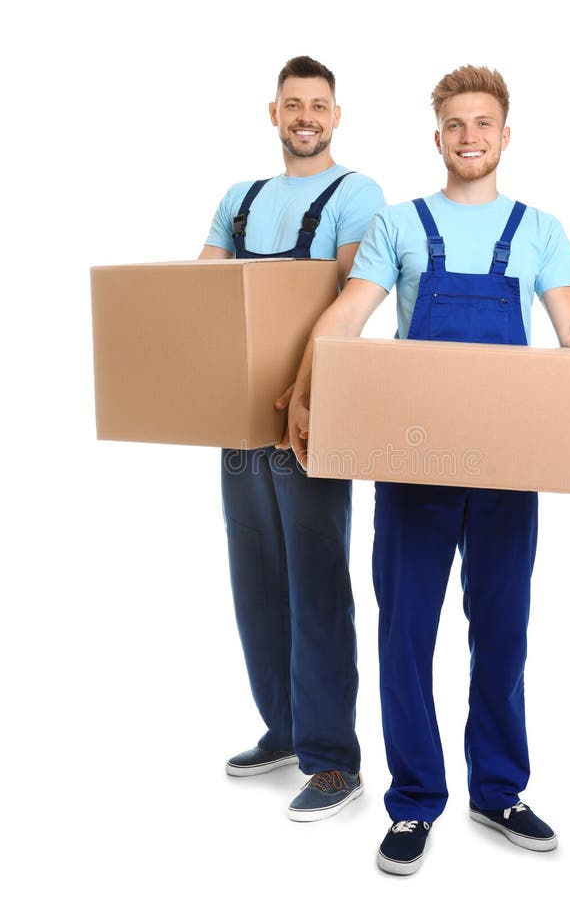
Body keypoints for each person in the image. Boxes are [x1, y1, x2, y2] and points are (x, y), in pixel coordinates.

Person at [288, 65, 570, 871]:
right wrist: (305, 385)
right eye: (456, 125)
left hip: (508, 466)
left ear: (505, 136)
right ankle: (412, 802)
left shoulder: (540, 230)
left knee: (502, 635)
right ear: (438, 138)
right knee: (405, 638)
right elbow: (347, 315)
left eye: (483, 123)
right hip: (413, 464)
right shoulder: (399, 225)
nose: (470, 137)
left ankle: (498, 790)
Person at [199, 55, 384, 822]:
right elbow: (202, 294)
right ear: (273, 114)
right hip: (239, 416)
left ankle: (334, 759)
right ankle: (284, 726)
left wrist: (304, 397)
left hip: (312, 416)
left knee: (315, 581)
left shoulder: (356, 195)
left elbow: (349, 304)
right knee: (256, 577)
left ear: (335, 116)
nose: (305, 116)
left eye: (319, 105)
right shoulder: (238, 200)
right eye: (293, 104)